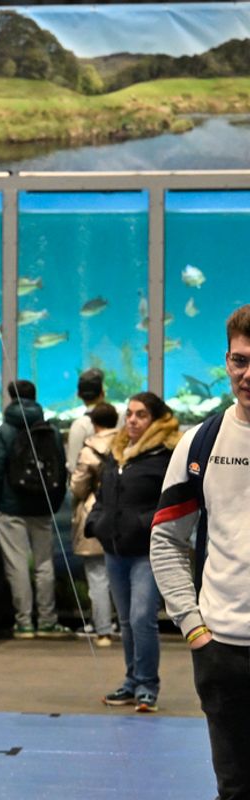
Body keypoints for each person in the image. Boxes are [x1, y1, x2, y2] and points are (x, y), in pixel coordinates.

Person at [152, 304, 250, 799]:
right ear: (227, 361)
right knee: (234, 789)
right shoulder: (200, 443)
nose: (248, 374)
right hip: (223, 651)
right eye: (240, 361)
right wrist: (193, 626)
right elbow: (167, 538)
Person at [87, 391, 180, 714]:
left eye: (140, 414)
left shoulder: (166, 454)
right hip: (115, 549)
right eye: (129, 414)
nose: (132, 420)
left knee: (142, 618)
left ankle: (147, 686)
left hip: (146, 552)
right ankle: (131, 681)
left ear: (155, 419)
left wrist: (144, 523)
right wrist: (95, 521)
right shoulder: (118, 453)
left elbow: (172, 503)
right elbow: (102, 494)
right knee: (126, 621)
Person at [0, 379, 72, 638]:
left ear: (11, 398)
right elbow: (61, 469)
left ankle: (24, 622)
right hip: (42, 508)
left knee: (17, 565)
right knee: (44, 564)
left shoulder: (3, 431)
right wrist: (54, 503)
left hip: (10, 509)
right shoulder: (52, 430)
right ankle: (47, 620)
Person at [68, 401, 119, 647]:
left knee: (98, 576)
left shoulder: (89, 450)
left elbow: (77, 486)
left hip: (95, 512)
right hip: (123, 515)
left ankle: (103, 631)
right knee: (127, 573)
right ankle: (128, 626)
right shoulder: (126, 445)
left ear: (93, 423)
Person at [66, 368, 106, 469]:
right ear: (102, 393)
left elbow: (73, 465)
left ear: (79, 395)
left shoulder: (80, 425)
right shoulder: (120, 418)